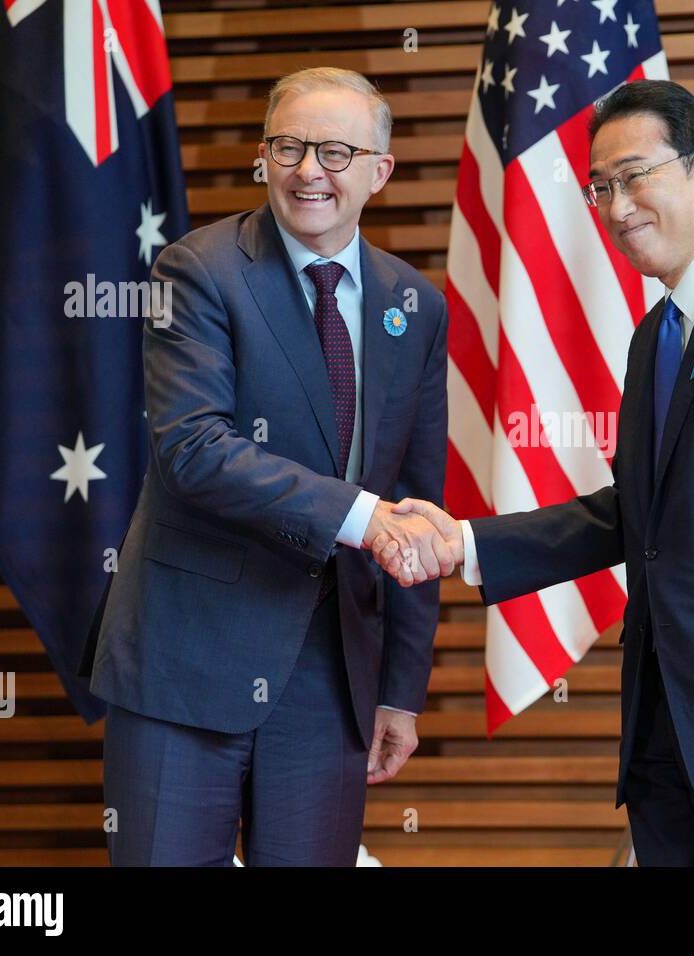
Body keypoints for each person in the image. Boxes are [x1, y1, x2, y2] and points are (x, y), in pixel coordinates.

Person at [374, 79, 694, 866]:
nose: (617, 207)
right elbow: (635, 517)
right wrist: (464, 542)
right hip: (668, 737)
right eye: (601, 187)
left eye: (636, 176)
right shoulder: (655, 333)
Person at [80, 68, 454, 865]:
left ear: (379, 171)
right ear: (263, 156)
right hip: (186, 662)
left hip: (331, 678)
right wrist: (363, 517)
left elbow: (418, 504)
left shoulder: (414, 304)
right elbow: (193, 448)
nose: (308, 170)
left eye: (335, 151)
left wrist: (399, 689)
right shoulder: (198, 270)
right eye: (288, 147)